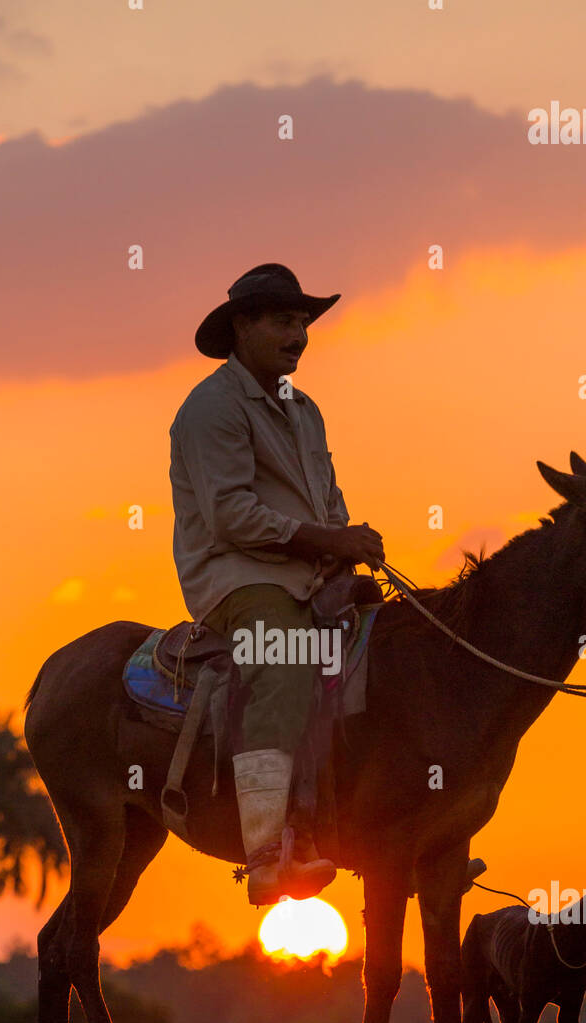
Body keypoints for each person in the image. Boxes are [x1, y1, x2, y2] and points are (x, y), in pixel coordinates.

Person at [169, 263, 385, 904]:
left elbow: (328, 499)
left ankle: (401, 828)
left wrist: (346, 543)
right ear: (243, 327)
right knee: (286, 658)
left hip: (311, 573)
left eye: (303, 323)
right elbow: (230, 514)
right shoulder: (211, 407)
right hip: (241, 577)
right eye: (284, 321)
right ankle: (266, 850)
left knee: (394, 650)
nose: (299, 336)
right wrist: (327, 541)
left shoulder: (305, 411)